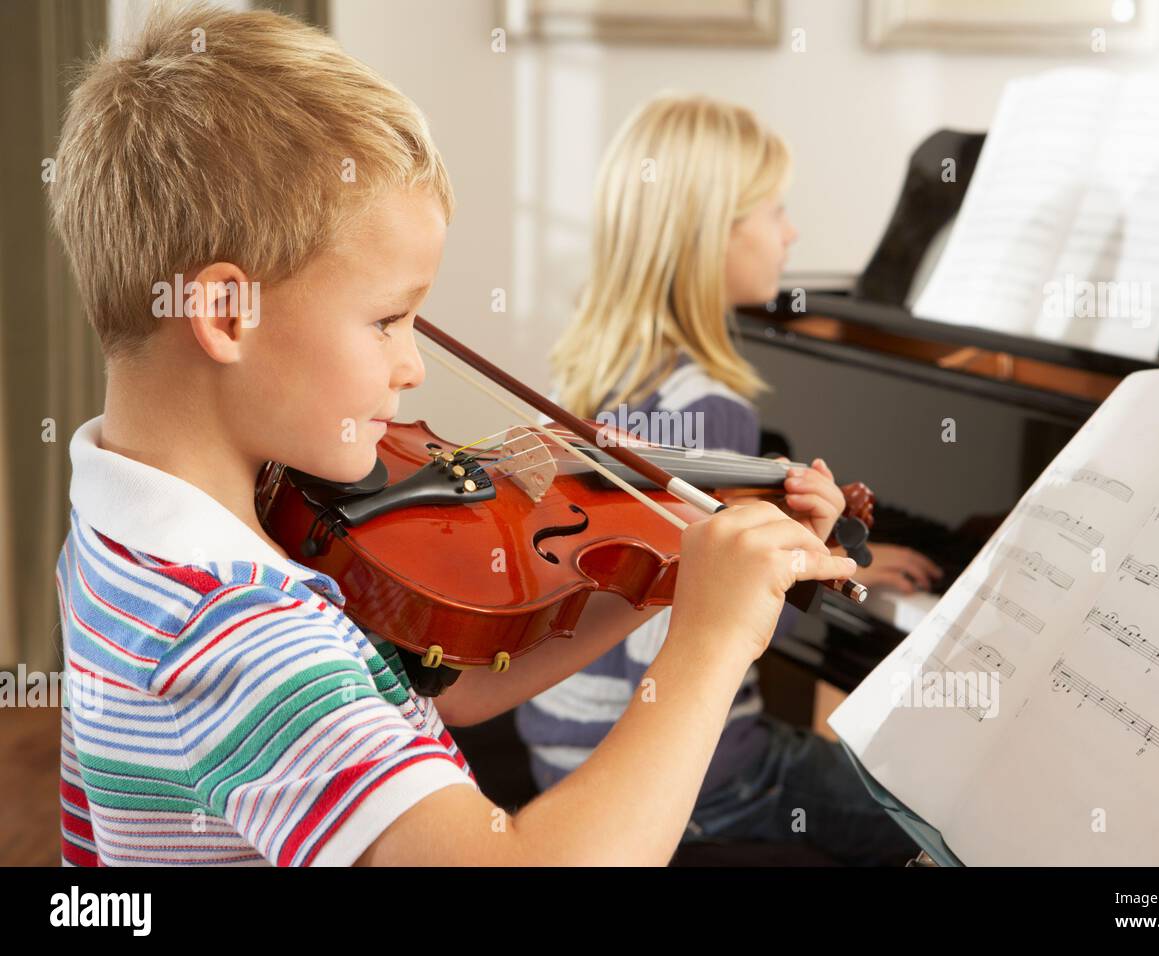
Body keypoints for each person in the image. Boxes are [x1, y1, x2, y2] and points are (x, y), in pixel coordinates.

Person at [50, 3, 858, 867]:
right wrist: (708, 645)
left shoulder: (136, 532)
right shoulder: (242, 633)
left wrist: (669, 564)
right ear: (225, 314)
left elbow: (456, 688)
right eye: (390, 320)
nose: (413, 367)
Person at [516, 94, 941, 865]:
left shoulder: (600, 376)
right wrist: (822, 572)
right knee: (930, 818)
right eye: (774, 210)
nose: (792, 233)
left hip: (563, 752)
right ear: (710, 234)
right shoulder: (708, 413)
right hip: (691, 782)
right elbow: (688, 642)